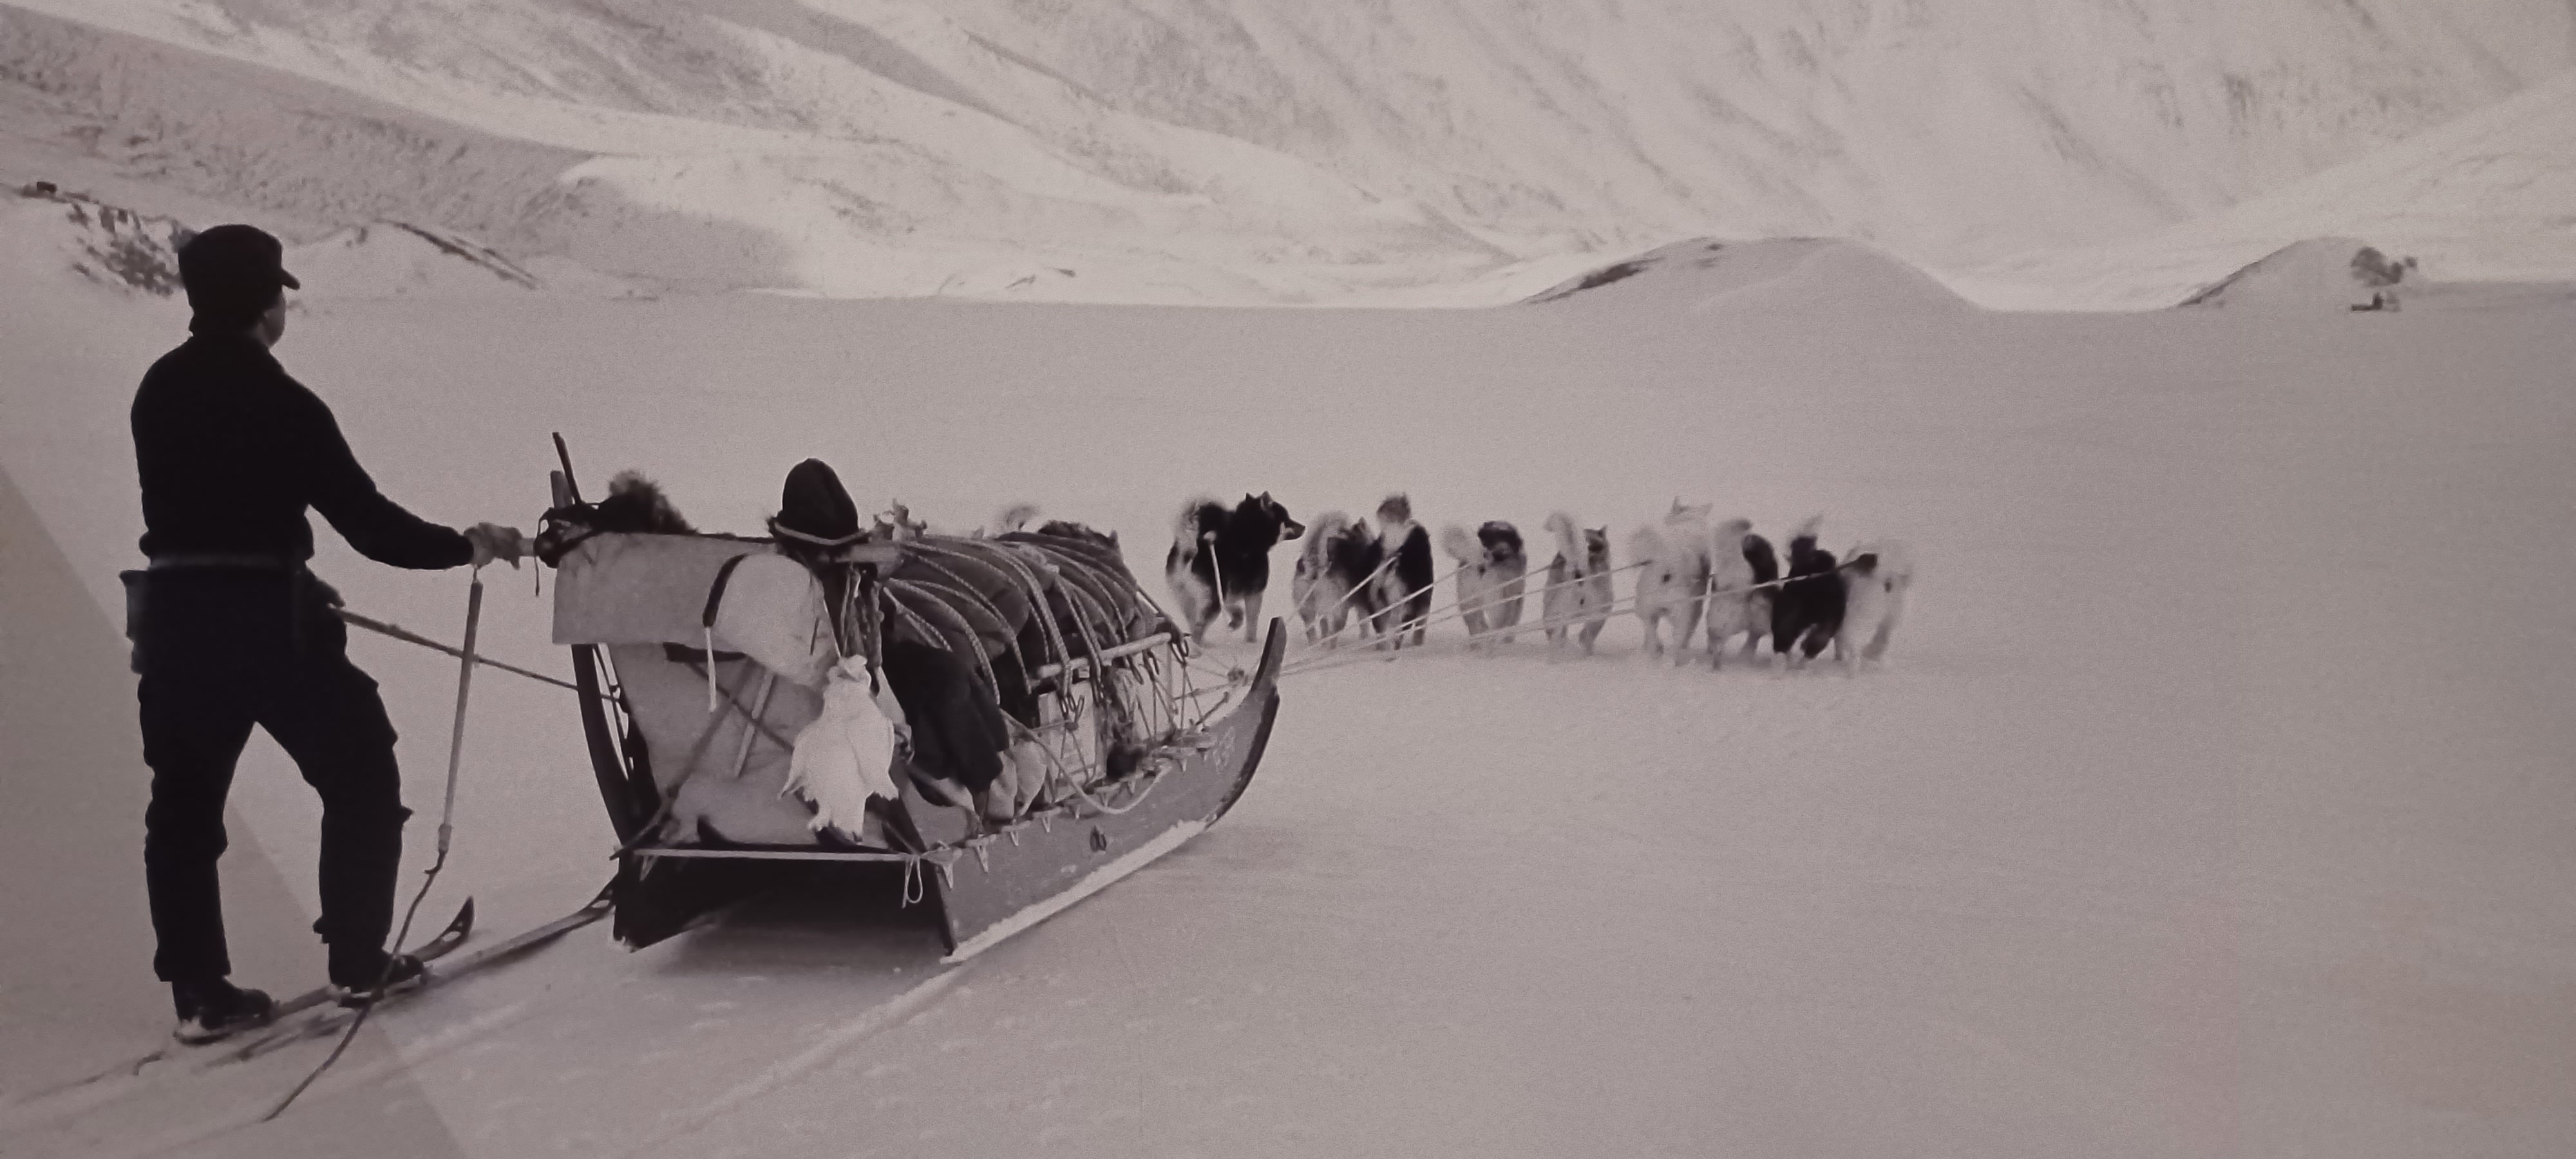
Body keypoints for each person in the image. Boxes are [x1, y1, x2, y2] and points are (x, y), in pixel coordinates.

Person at [129, 224, 527, 1043]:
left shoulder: (156, 390)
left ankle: (200, 993)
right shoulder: (285, 404)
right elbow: (372, 527)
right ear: (268, 305)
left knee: (183, 811)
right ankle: (356, 958)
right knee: (358, 772)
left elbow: (204, 522)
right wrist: (469, 545)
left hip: (172, 622)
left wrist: (288, 571)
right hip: (270, 629)